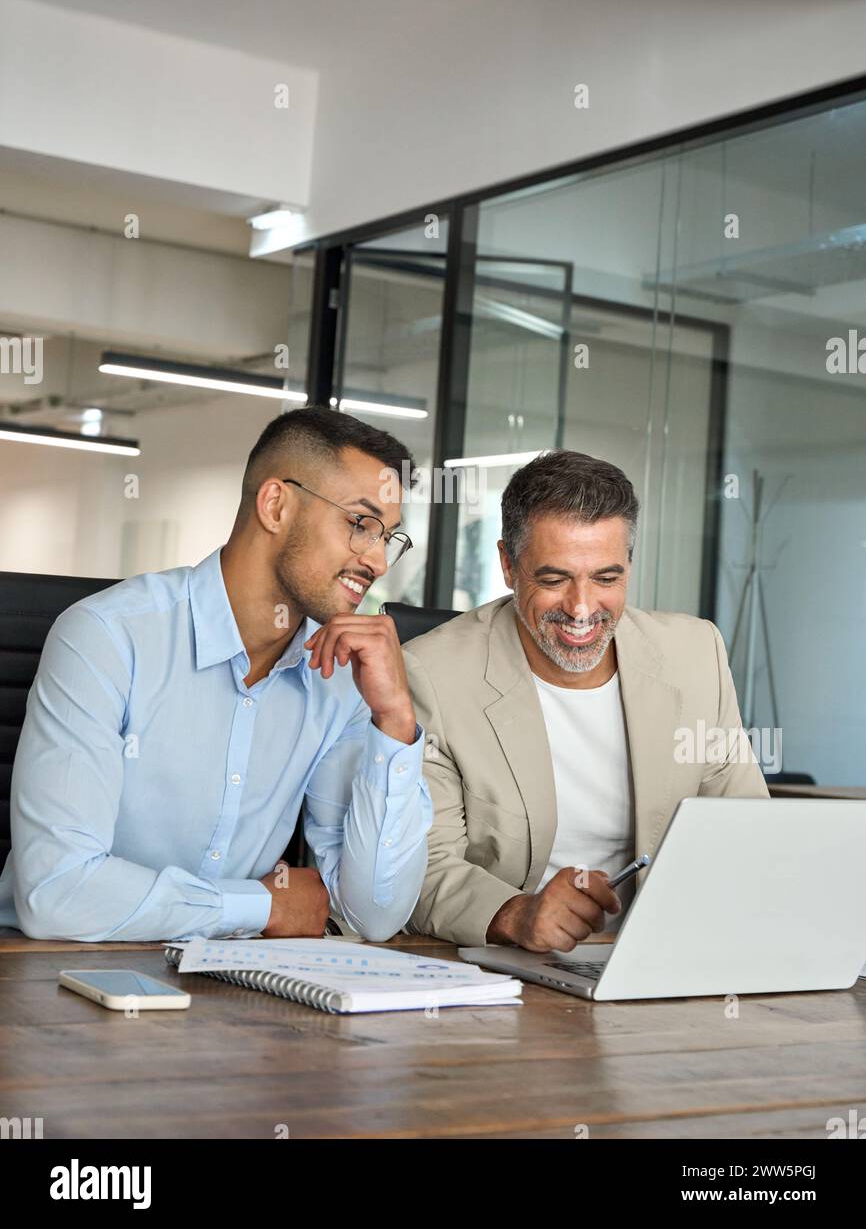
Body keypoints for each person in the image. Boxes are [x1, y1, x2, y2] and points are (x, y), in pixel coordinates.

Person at [0, 406, 432, 942]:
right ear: (276, 505)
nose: (379, 562)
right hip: (54, 979)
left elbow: (376, 915)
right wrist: (262, 907)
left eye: (388, 536)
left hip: (231, 992)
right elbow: (58, 892)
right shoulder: (108, 638)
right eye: (361, 525)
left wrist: (394, 720)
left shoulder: (338, 680)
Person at [403, 449, 769, 950]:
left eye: (606, 578)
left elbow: (747, 830)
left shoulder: (695, 653)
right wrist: (516, 914)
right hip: (506, 967)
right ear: (509, 565)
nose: (581, 609)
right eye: (554, 579)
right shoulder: (431, 673)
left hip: (666, 957)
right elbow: (419, 866)